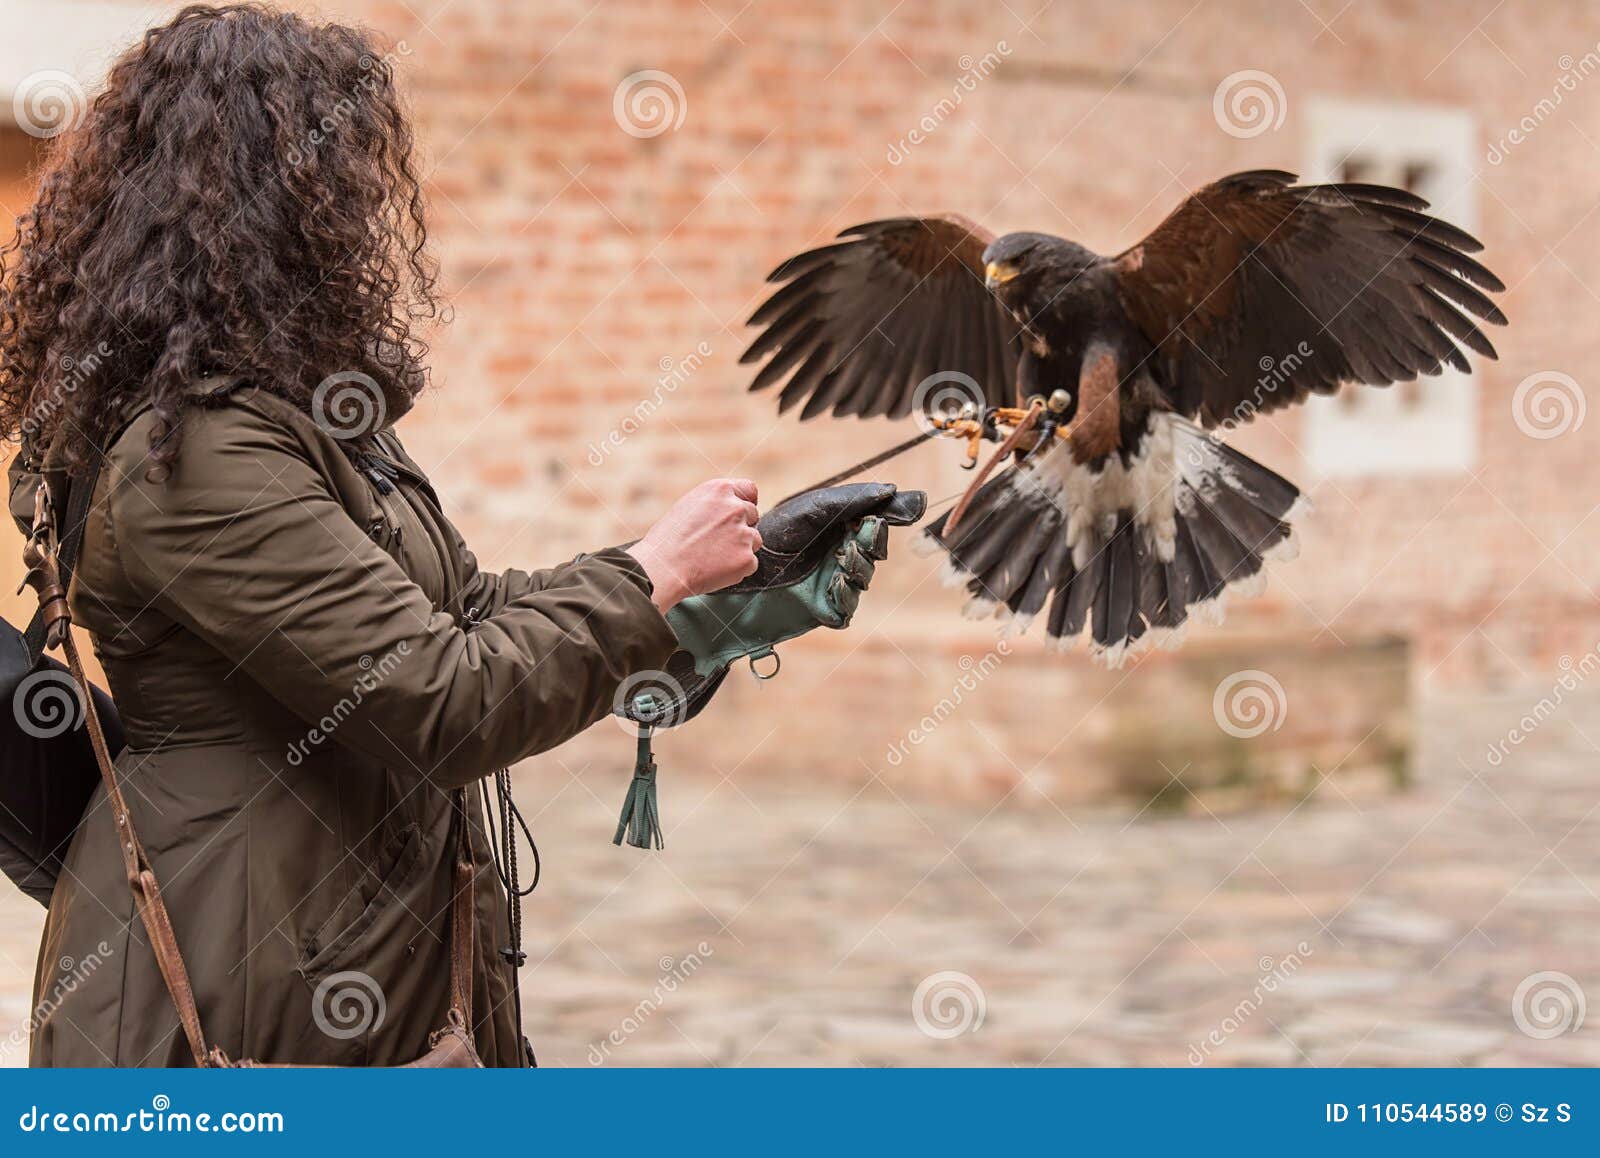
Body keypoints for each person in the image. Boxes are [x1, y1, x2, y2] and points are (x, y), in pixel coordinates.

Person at [0, 3, 764, 1066]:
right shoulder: (197, 456)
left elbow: (462, 609)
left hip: (364, 927)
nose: (361, 209)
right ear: (271, 201)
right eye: (342, 176)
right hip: (241, 965)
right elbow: (437, 698)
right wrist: (648, 576)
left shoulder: (294, 416)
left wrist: (695, 598)